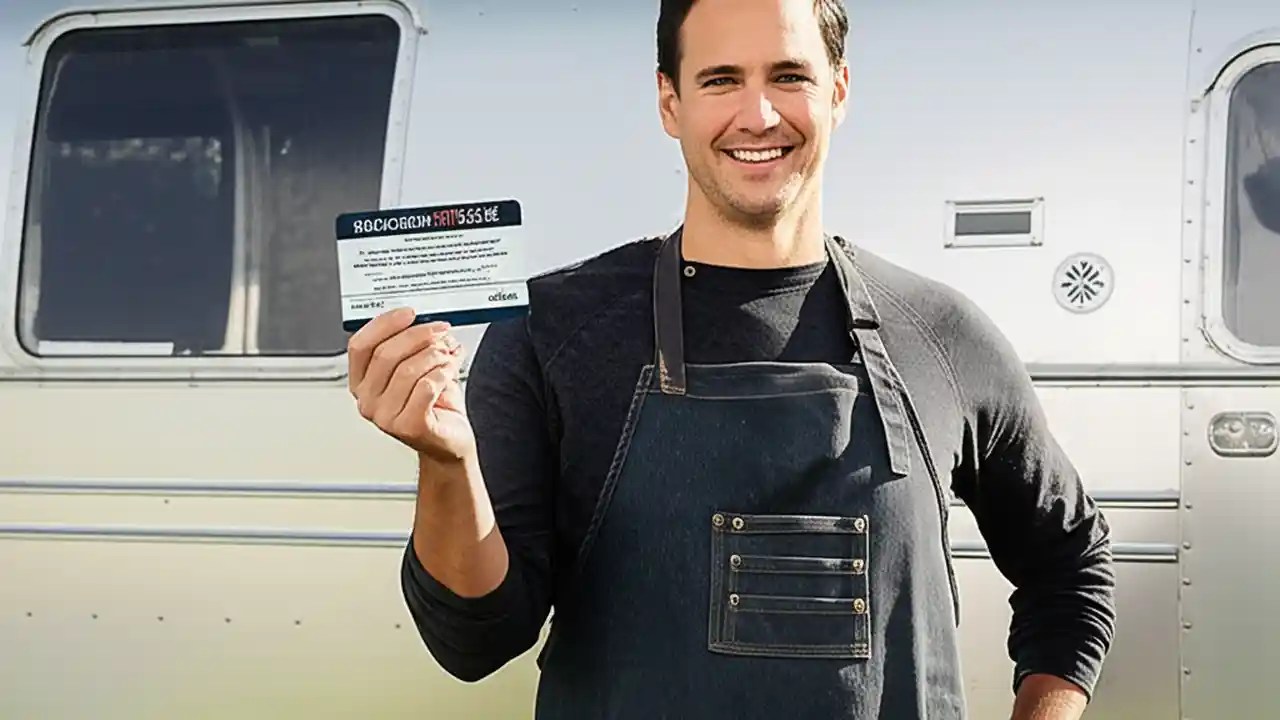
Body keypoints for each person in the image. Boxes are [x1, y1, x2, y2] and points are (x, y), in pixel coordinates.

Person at [345, 0, 1117, 717]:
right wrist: (446, 464)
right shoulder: (552, 332)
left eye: (789, 76)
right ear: (669, 102)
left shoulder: (944, 335)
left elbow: (1070, 569)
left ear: (838, 91)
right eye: (721, 80)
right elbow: (476, 641)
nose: (759, 114)